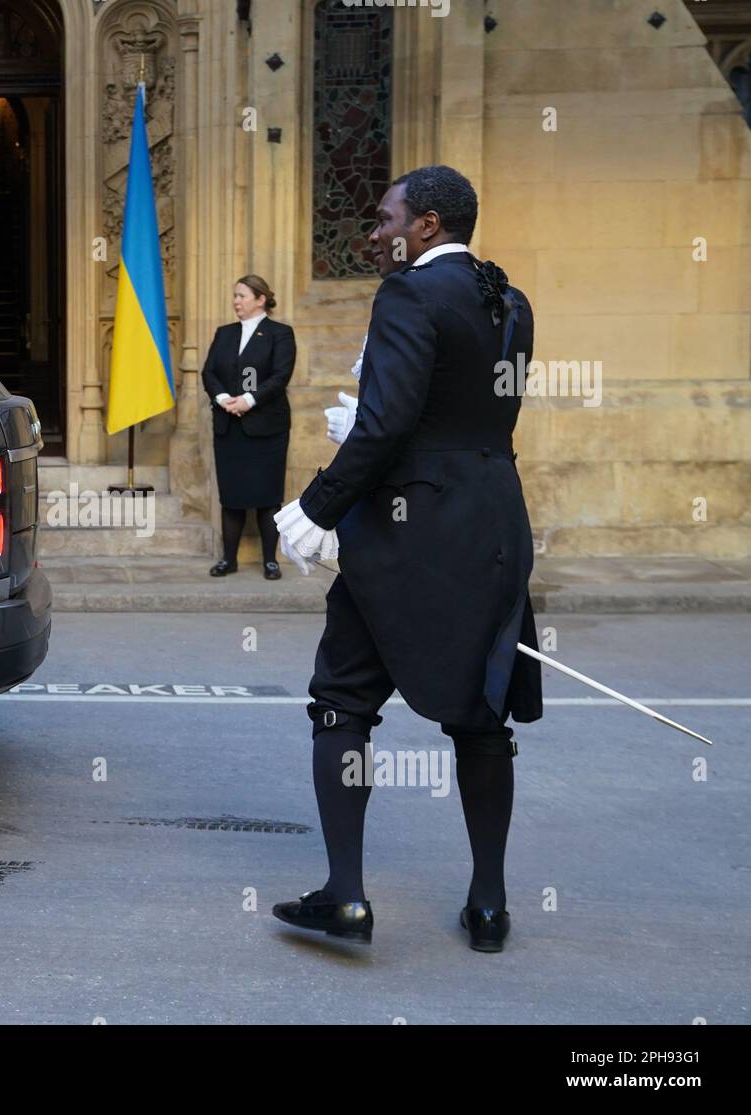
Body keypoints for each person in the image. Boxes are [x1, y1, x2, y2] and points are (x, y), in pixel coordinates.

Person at [270, 165, 542, 953]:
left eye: (386, 218)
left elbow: (388, 427)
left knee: (342, 699)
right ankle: (489, 906)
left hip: (406, 529)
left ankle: (346, 896)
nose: (375, 232)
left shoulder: (408, 296)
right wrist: (382, 419)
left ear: (427, 224)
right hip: (492, 522)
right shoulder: (511, 302)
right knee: (482, 713)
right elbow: (481, 408)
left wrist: (316, 506)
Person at [201, 275, 296, 579]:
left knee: (268, 497)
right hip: (229, 426)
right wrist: (225, 398)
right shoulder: (225, 333)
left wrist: (250, 400)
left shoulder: (280, 333)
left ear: (261, 299)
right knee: (232, 497)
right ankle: (229, 560)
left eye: (242, 295)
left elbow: (280, 376)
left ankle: (271, 560)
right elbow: (209, 372)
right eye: (234, 296)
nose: (236, 301)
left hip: (267, 429)